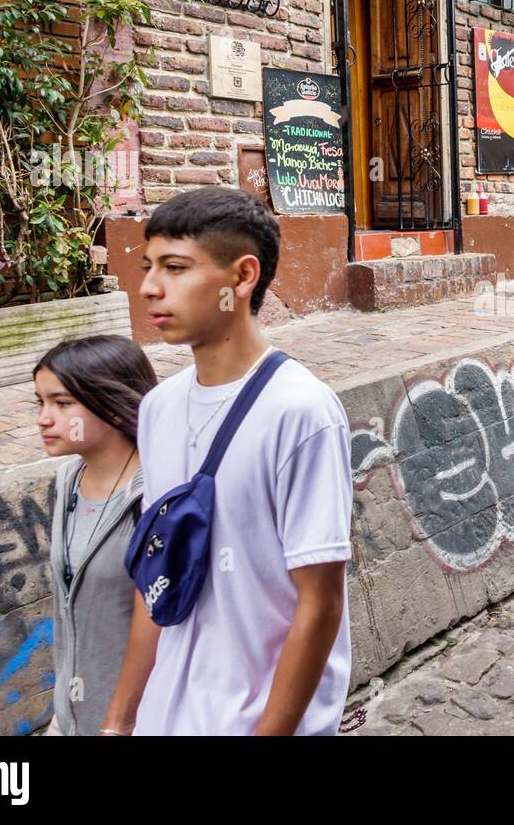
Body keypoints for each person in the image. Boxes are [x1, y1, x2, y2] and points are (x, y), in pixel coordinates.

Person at [101, 187, 353, 736]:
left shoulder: (302, 412)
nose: (148, 287)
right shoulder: (158, 409)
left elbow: (320, 600)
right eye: (148, 266)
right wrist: (120, 720)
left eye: (175, 268)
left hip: (259, 720)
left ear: (242, 278)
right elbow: (158, 573)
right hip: (169, 716)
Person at [34, 335, 156, 736]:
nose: (44, 418)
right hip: (71, 720)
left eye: (62, 403)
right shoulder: (68, 480)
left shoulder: (155, 496)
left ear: (113, 405)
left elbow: (157, 623)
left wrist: (118, 723)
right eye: (41, 402)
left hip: (138, 724)